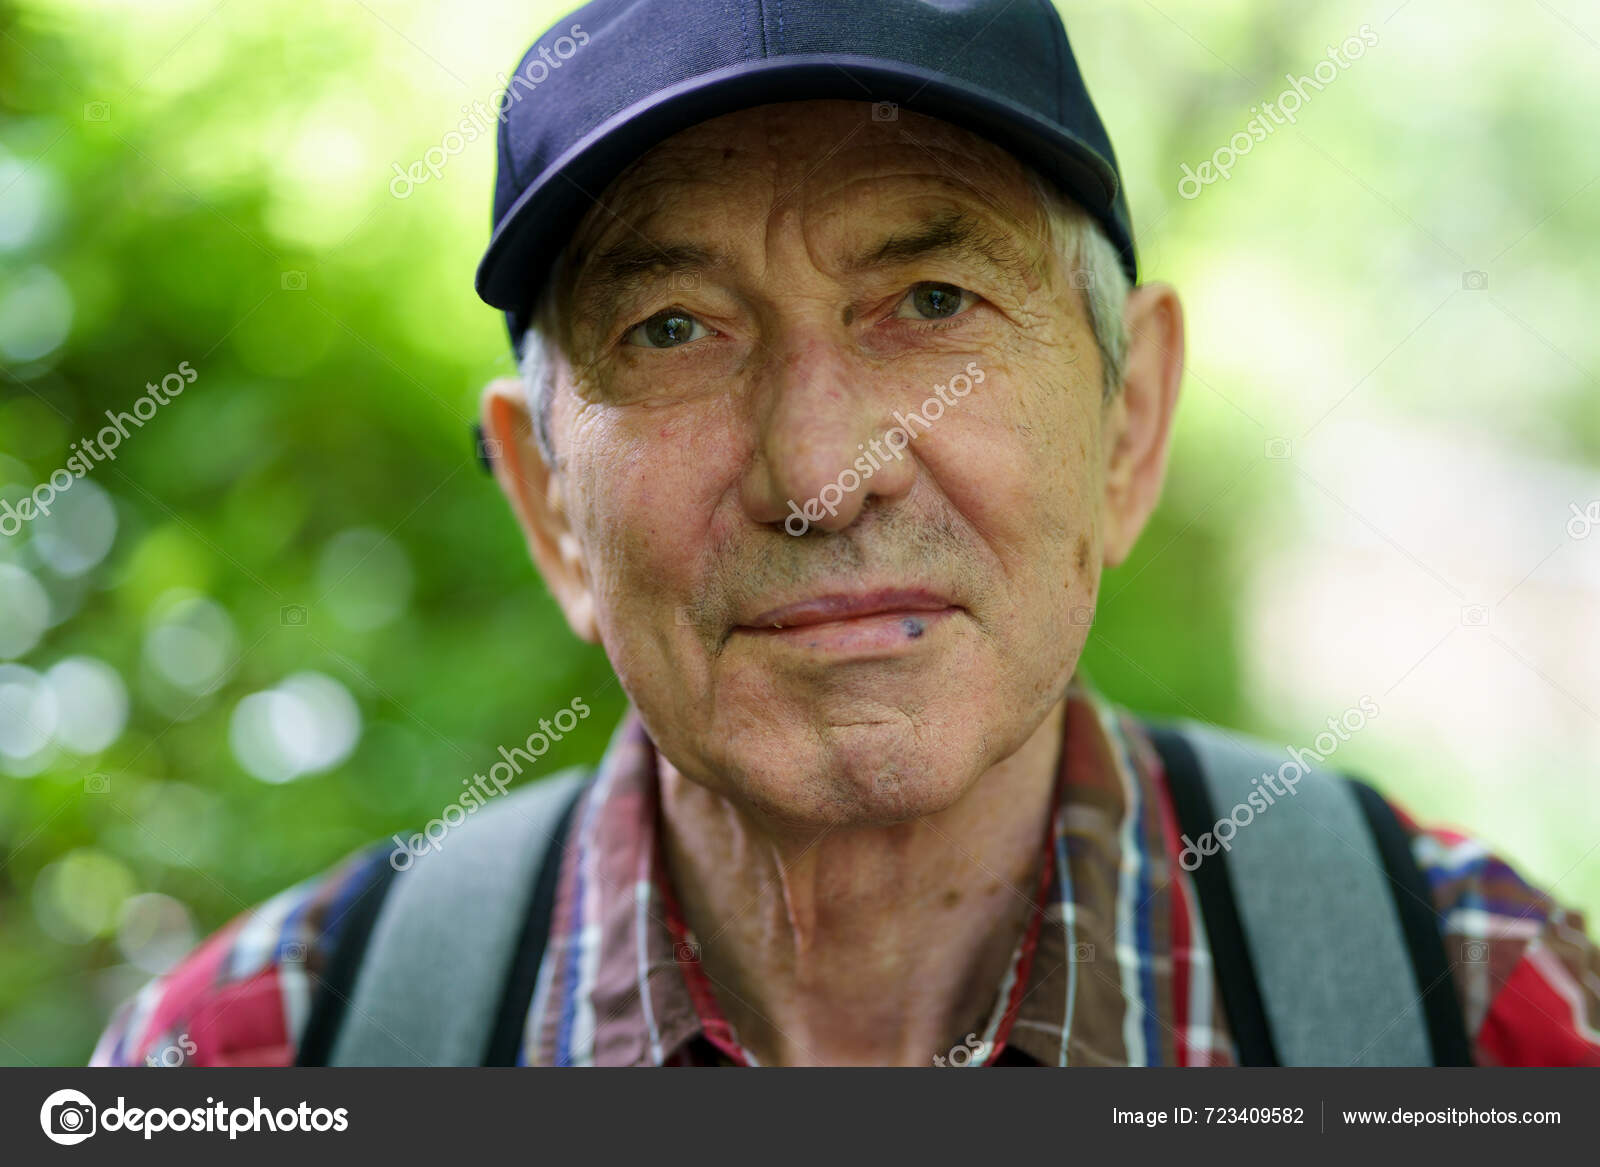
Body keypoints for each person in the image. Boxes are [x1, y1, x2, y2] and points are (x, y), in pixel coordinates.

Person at [94, 0, 1600, 1068]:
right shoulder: (261, 1058)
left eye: (933, 304)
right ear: (552, 500)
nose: (822, 471)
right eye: (672, 327)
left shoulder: (1472, 1012)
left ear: (1129, 429)